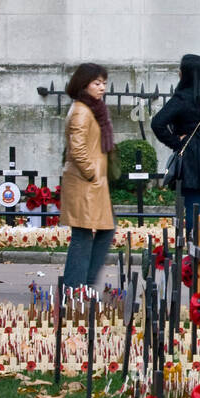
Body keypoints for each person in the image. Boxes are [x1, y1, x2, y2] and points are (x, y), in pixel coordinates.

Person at [151, 53, 200, 235]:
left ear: (185, 73)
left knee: (194, 206)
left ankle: (196, 252)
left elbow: (157, 123)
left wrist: (176, 142)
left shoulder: (183, 98)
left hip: (193, 154)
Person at [59, 62, 116, 289]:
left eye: (104, 83)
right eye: (97, 83)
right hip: (85, 183)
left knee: (103, 229)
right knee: (83, 236)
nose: (102, 88)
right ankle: (75, 288)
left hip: (92, 184)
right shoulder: (81, 111)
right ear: (84, 84)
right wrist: (92, 174)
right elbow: (77, 149)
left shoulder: (91, 108)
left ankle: (83, 284)